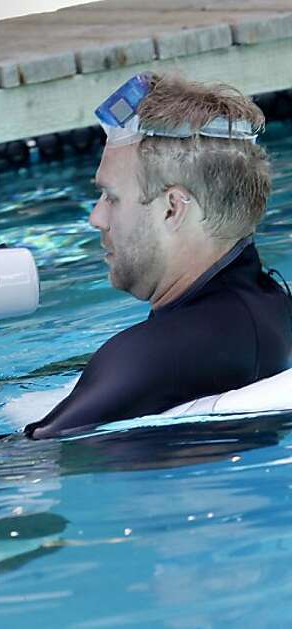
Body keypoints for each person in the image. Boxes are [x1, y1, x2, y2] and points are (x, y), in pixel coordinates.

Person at [25, 73, 292, 439]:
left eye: (111, 198)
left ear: (172, 209)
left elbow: (27, 457)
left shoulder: (142, 357)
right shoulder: (274, 306)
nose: (96, 217)